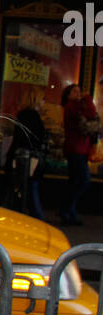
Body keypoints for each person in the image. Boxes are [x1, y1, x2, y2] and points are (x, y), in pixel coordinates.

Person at [4, 89, 47, 219]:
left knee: (18, 188)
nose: (44, 102)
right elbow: (34, 137)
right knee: (30, 187)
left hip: (20, 155)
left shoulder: (23, 114)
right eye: (42, 99)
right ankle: (37, 217)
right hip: (27, 158)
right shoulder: (32, 116)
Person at [60, 83, 98, 226]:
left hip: (79, 149)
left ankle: (69, 209)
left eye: (79, 91)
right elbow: (89, 117)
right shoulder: (72, 107)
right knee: (83, 180)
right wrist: (87, 99)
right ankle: (67, 208)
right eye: (74, 91)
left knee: (76, 181)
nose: (78, 94)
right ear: (68, 95)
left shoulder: (76, 107)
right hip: (76, 149)